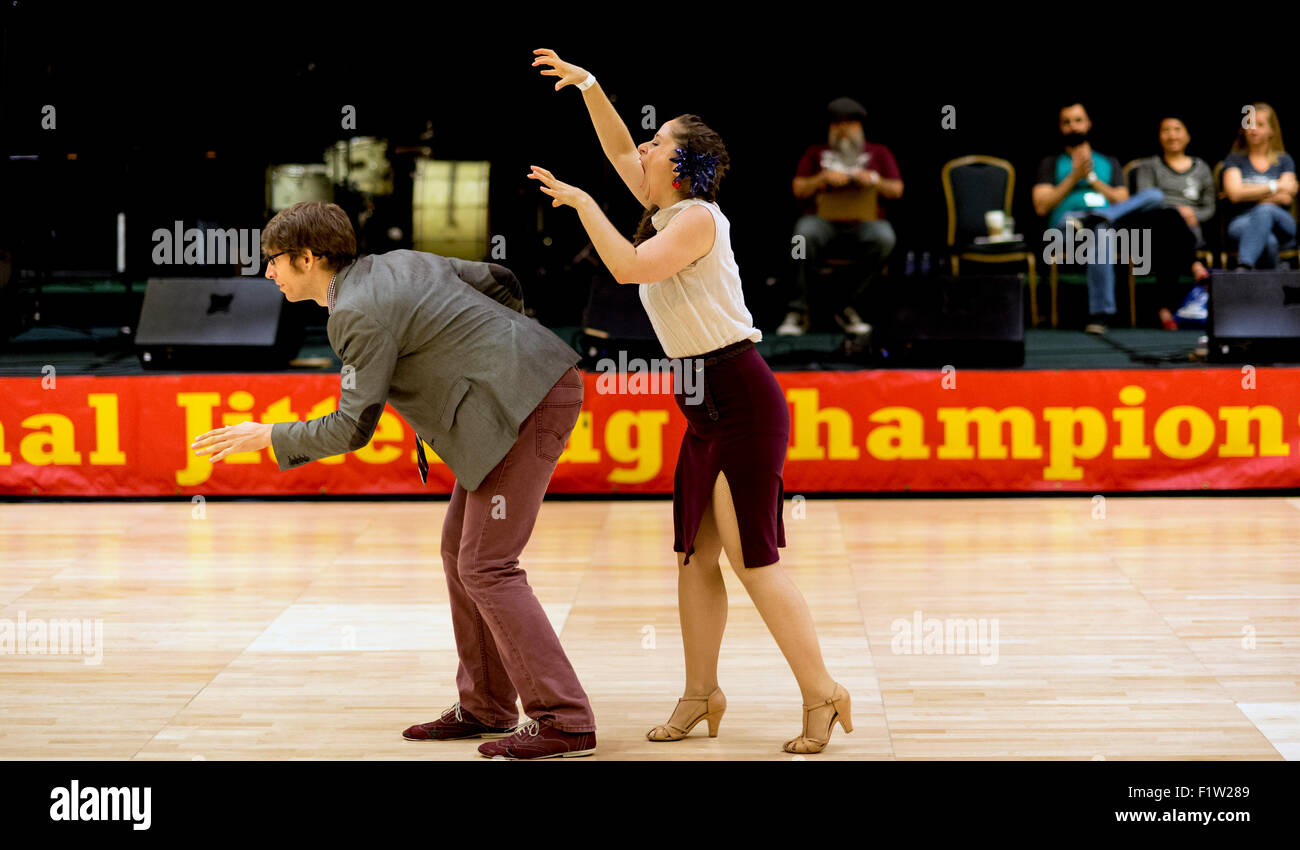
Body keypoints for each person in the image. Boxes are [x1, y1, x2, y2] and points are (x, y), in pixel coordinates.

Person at [190, 201, 598, 760]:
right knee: (460, 551)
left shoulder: (354, 312)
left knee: (486, 564)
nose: (268, 272)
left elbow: (352, 428)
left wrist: (270, 437)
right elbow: (500, 279)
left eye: (275, 261)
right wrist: (490, 350)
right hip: (529, 390)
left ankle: (564, 720)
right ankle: (487, 706)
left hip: (524, 406)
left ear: (309, 258)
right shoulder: (399, 262)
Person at [530, 48, 851, 754]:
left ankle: (822, 690)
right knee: (693, 559)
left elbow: (626, 266)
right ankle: (700, 693)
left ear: (681, 165)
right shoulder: (664, 206)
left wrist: (583, 202)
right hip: (701, 402)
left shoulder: (697, 219)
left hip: (740, 395)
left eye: (658, 142)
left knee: (753, 559)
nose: (642, 147)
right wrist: (587, 83)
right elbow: (615, 142)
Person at [1033, 102, 1165, 334]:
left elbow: (1122, 199)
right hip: (1065, 229)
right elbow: (1041, 206)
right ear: (1060, 128)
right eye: (1067, 122)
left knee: (1153, 196)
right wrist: (1074, 177)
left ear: (1088, 124)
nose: (1073, 127)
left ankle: (1100, 315)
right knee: (1093, 228)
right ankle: (1101, 313)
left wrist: (1093, 180)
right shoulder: (1051, 163)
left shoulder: (1108, 162)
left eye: (1078, 120)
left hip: (1105, 225)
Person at [777, 96, 902, 338]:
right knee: (802, 236)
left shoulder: (878, 152)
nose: (843, 129)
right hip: (823, 222)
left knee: (885, 238)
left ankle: (847, 305)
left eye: (849, 123)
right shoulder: (816, 153)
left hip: (866, 222)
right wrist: (822, 178)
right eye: (837, 124)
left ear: (860, 126)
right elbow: (797, 187)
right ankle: (797, 311)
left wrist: (873, 179)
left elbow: (897, 189)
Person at [1126, 116, 1215, 329]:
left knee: (1171, 242)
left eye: (1177, 129)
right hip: (1153, 229)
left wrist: (1194, 215)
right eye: (1166, 130)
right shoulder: (1148, 166)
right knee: (1170, 220)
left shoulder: (1201, 168)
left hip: (1189, 232)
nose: (1172, 135)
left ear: (1187, 135)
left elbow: (1210, 207)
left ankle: (1165, 310)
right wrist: (1177, 211)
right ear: (1159, 136)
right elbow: (1145, 200)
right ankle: (1195, 267)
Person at [1223, 102, 1298, 270]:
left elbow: (1286, 197)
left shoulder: (1283, 160)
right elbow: (1235, 194)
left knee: (1264, 212)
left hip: (1281, 222)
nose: (1253, 129)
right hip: (1242, 221)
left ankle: (1244, 266)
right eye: (1249, 124)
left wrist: (1249, 193)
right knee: (1268, 241)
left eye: (1260, 124)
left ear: (1272, 130)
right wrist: (1275, 186)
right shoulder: (1234, 159)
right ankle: (1272, 282)